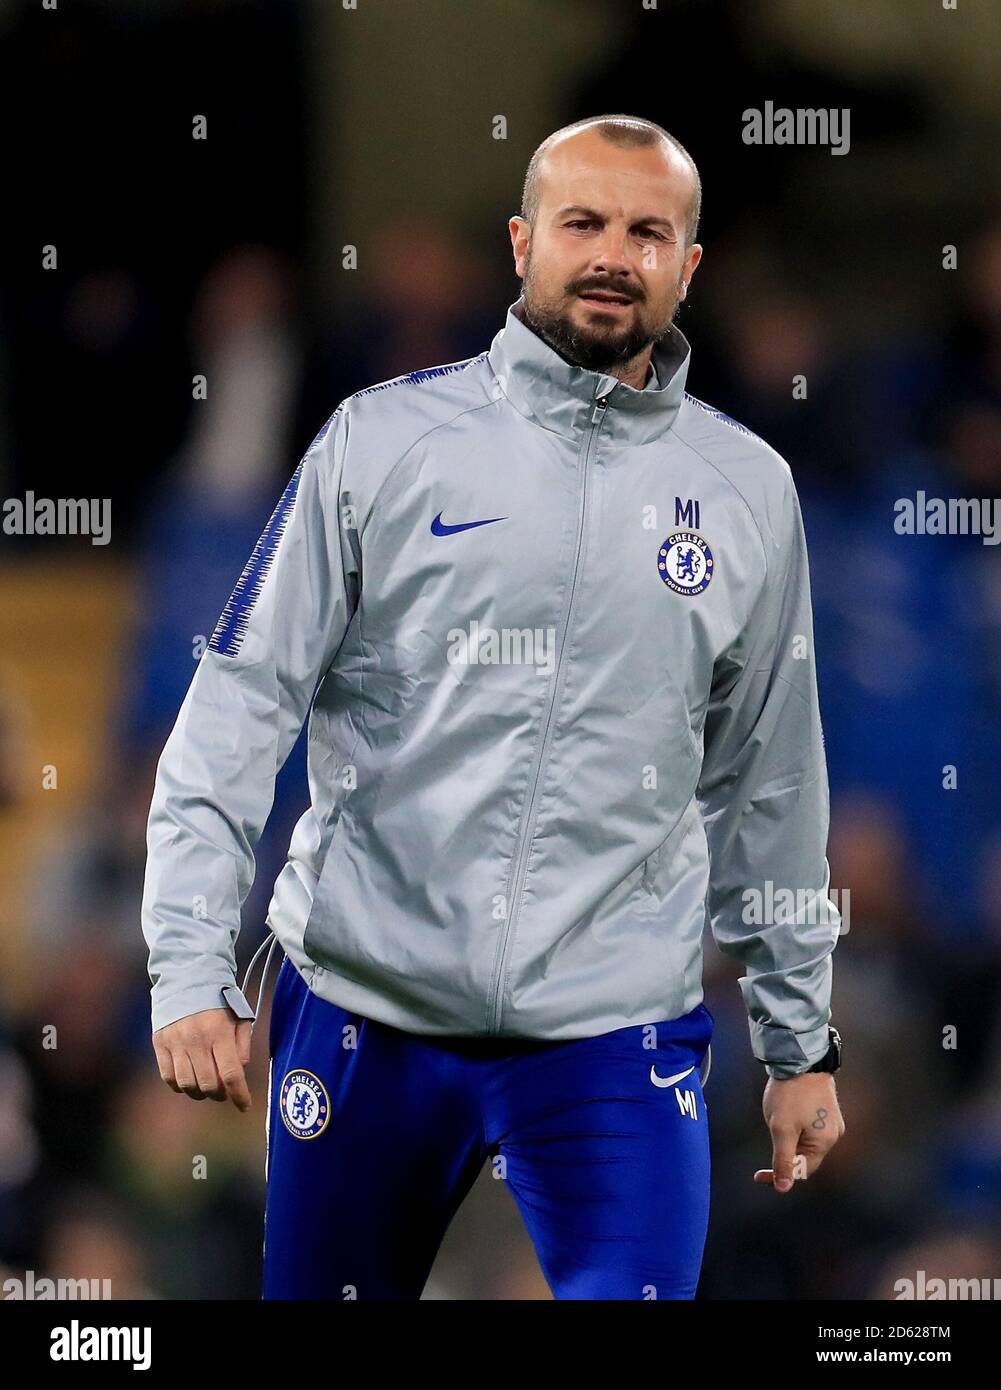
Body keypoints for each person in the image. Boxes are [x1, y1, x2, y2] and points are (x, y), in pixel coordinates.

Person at [142, 113, 845, 1301]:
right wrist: (187, 960)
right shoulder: (380, 442)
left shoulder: (745, 492)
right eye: (581, 222)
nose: (611, 253)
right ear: (523, 243)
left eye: (646, 231)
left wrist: (798, 1039)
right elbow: (237, 705)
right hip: (370, 1007)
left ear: (688, 265)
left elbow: (770, 780)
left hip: (612, 1036)